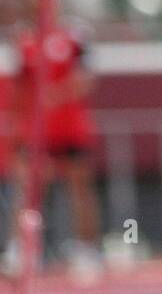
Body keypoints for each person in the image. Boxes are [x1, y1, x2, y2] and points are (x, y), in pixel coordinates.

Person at [3, 23, 102, 277]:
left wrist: (56, 94)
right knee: (30, 189)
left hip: (69, 127)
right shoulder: (24, 41)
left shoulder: (74, 37)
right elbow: (18, 86)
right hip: (35, 130)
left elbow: (86, 79)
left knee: (79, 188)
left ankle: (86, 250)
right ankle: (25, 249)